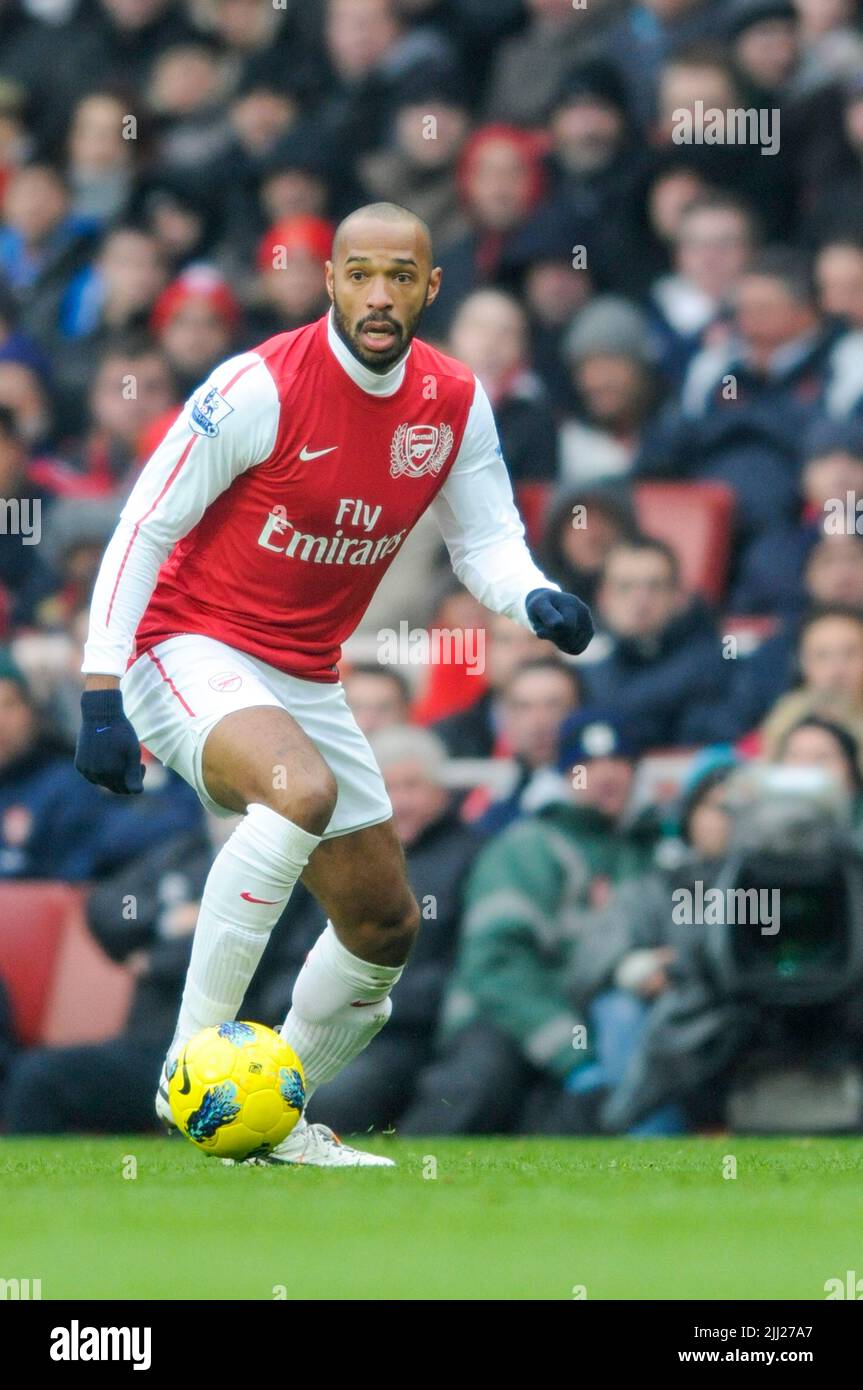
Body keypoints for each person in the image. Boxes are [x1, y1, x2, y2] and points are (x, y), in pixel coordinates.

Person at [74, 201, 594, 1168]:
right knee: (298, 793)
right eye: (360, 273)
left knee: (384, 925)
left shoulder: (452, 399)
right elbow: (142, 523)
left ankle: (269, 1121)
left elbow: (484, 539)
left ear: (431, 288)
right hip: (180, 644)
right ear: (330, 280)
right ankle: (190, 1066)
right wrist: (100, 687)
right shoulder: (258, 386)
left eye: (401, 276)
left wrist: (536, 599)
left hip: (302, 676)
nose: (380, 294)